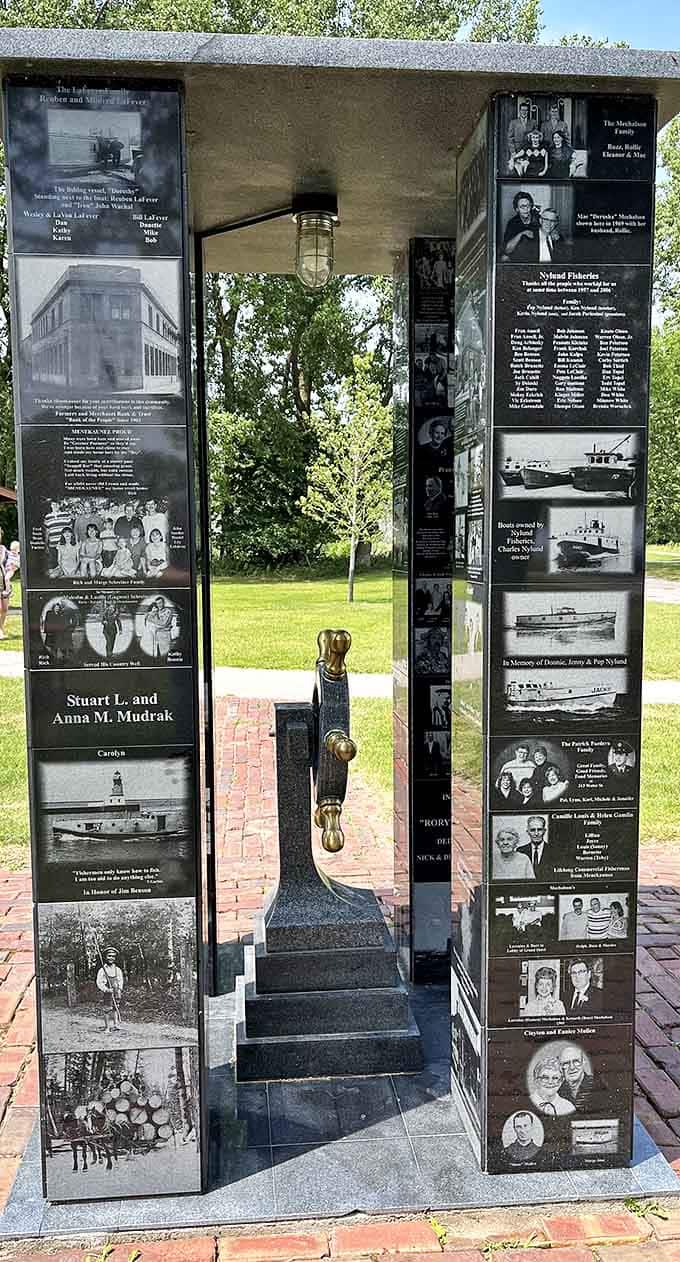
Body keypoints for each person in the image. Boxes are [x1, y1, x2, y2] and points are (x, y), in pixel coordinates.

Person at [501, 192, 540, 262]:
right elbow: (507, 250)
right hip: (520, 259)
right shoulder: (512, 223)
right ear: (517, 209)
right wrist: (521, 234)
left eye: (528, 206)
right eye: (522, 207)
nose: (526, 209)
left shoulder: (539, 219)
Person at [558, 1045, 596, 1110]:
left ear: (583, 1062)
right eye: (566, 1063)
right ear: (561, 1068)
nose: (572, 1067)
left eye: (576, 1061)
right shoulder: (558, 1092)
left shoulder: (597, 1084)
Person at [96, 946, 124, 1034]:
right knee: (107, 1009)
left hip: (115, 991)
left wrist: (119, 989)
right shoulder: (102, 970)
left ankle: (116, 1024)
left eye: (113, 956)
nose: (111, 958)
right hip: (107, 993)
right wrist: (106, 989)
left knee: (116, 1007)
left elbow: (120, 980)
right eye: (109, 956)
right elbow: (99, 982)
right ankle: (107, 1027)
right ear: (105, 957)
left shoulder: (117, 969)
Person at [518, 816, 551, 881]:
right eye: (532, 830)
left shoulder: (554, 851)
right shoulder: (520, 851)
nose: (536, 834)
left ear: (544, 831)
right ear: (528, 831)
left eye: (539, 829)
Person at [507, 101, 531, 166]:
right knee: (517, 168)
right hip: (517, 150)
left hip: (528, 150)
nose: (524, 112)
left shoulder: (532, 122)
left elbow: (536, 135)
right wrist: (513, 152)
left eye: (526, 110)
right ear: (520, 111)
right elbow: (510, 138)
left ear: (528, 111)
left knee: (527, 168)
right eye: (522, 110)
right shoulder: (513, 122)